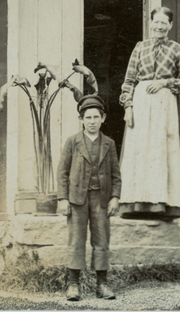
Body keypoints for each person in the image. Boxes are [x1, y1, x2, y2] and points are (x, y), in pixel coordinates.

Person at [117, 7, 180, 219]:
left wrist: (165, 82)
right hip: (141, 103)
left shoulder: (178, 49)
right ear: (150, 23)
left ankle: (161, 205)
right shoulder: (140, 47)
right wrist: (128, 107)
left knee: (161, 151)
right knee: (139, 151)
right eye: (156, 22)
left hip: (164, 104)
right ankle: (134, 205)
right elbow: (129, 81)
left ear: (170, 25)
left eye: (164, 23)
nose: (159, 26)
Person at [57, 94, 121, 302]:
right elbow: (62, 172)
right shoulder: (73, 142)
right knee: (76, 240)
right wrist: (63, 199)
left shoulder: (109, 144)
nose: (92, 121)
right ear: (81, 119)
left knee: (101, 240)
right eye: (88, 117)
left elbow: (115, 174)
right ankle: (73, 284)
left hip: (101, 200)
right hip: (77, 200)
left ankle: (102, 284)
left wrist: (115, 197)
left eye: (96, 117)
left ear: (102, 118)